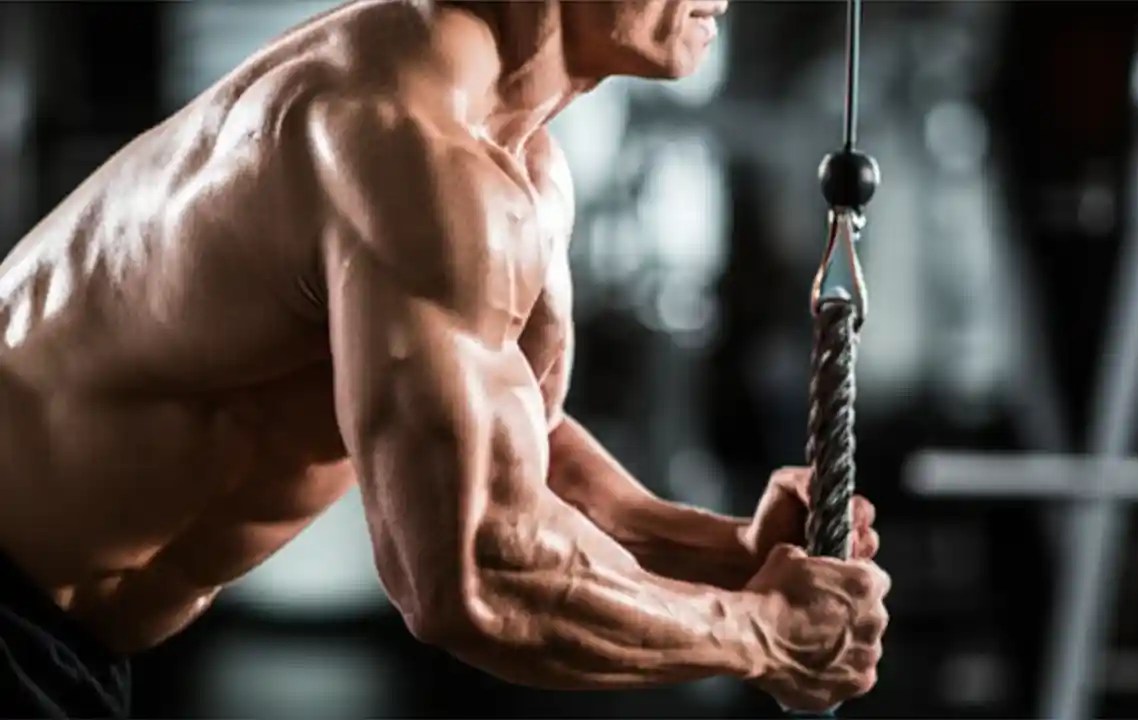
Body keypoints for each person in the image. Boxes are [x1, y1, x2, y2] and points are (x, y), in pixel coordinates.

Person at [0, 0, 891, 716]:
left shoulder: (524, 162)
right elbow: (472, 574)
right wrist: (762, 635)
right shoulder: (407, 145)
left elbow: (508, 455)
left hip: (63, 644)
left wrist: (729, 554)